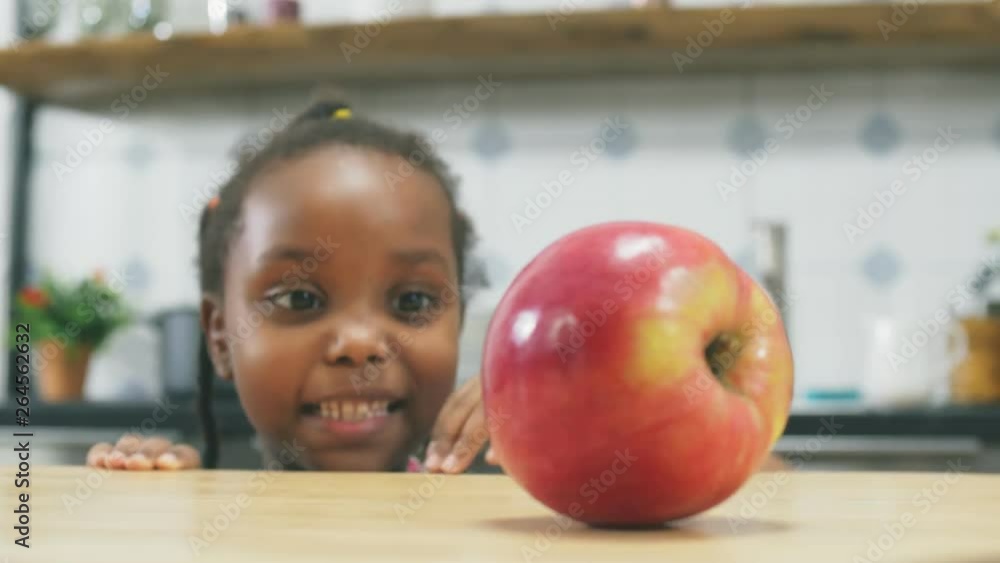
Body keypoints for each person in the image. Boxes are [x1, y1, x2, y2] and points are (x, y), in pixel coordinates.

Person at [86, 99, 496, 474]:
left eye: (413, 300)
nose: (359, 344)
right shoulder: (207, 519)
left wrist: (549, 451)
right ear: (221, 337)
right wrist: (167, 513)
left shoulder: (498, 505)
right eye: (299, 298)